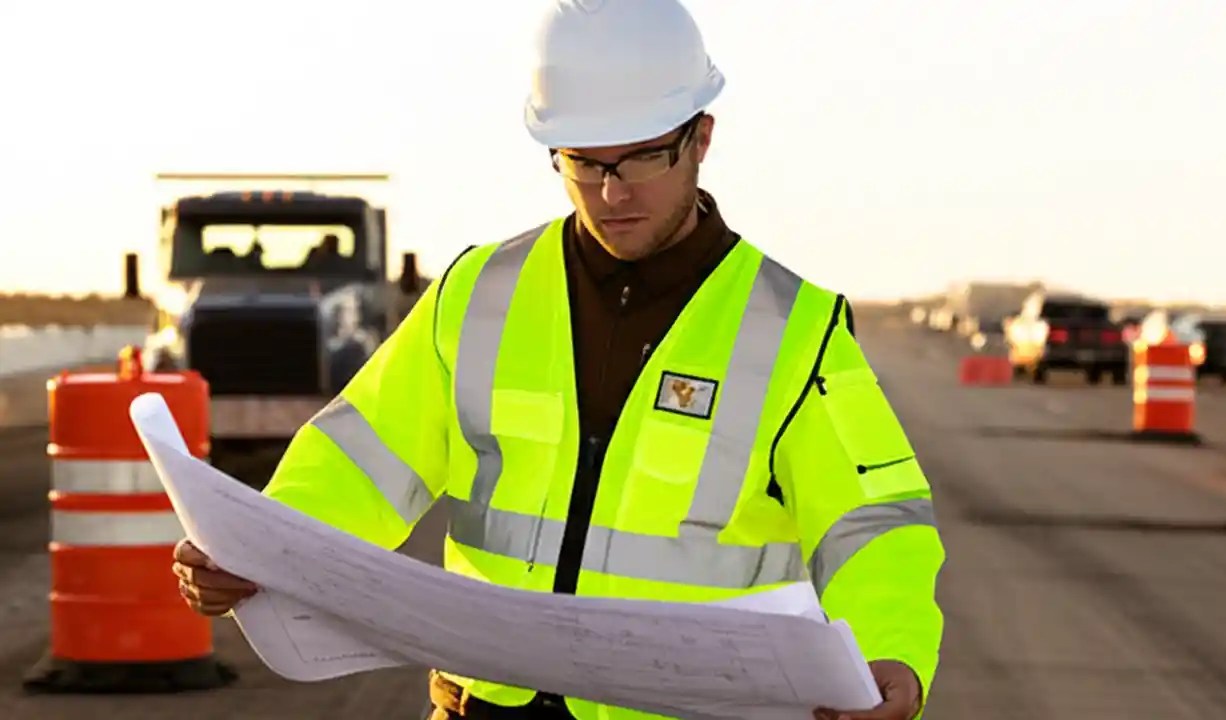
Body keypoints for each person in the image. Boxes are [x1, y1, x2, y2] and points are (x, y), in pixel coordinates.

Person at [171, 1, 946, 719]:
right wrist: (255, 550)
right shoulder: (477, 294)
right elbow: (362, 458)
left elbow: (873, 523)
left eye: (642, 159)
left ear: (701, 138)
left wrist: (893, 651)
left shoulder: (794, 330)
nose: (612, 194)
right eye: (584, 162)